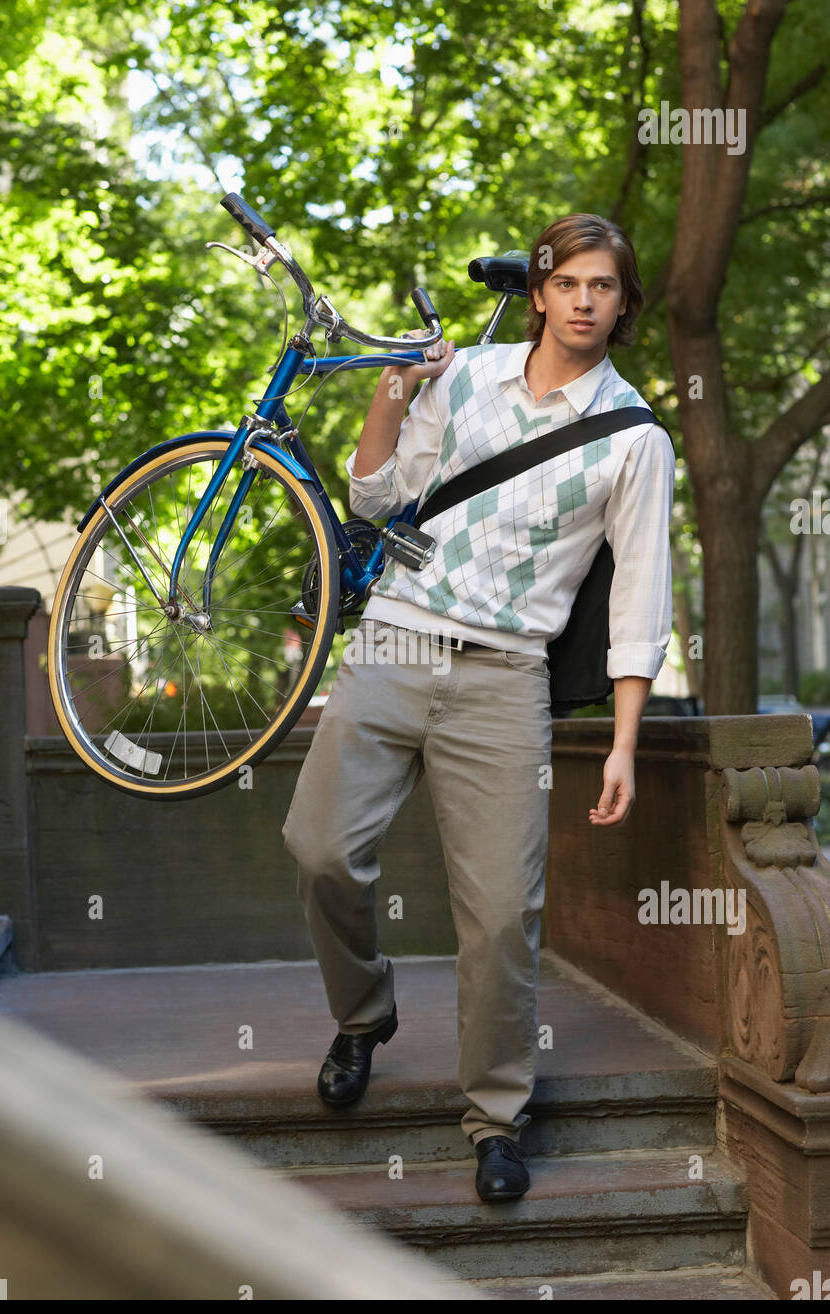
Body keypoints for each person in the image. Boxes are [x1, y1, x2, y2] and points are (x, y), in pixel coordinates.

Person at [281, 213, 675, 1202]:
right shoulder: (462, 378)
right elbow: (375, 498)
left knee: (500, 915)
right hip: (395, 638)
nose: (584, 300)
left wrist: (623, 742)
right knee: (320, 847)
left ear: (622, 307)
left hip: (506, 677)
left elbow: (639, 596)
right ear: (538, 292)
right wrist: (393, 392)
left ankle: (495, 1117)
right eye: (568, 282)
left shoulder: (634, 438)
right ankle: (363, 1013)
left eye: (604, 287)